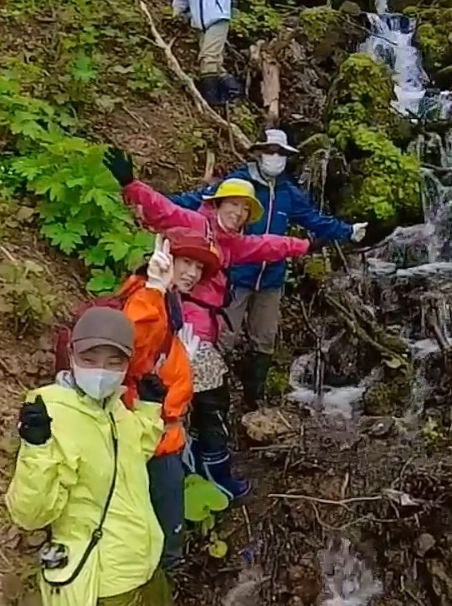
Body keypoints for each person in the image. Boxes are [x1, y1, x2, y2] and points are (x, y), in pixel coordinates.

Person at [104, 147, 314, 493]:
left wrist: (304, 245)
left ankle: (197, 464)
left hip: (197, 330)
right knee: (206, 399)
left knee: (204, 399)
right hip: (176, 325)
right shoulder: (193, 224)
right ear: (217, 203)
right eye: (233, 204)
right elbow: (161, 210)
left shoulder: (232, 244)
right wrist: (131, 185)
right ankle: (206, 471)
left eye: (245, 208)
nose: (239, 212)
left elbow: (267, 245)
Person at [168, 130, 366, 407]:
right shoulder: (238, 183)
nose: (275, 158)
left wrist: (347, 231)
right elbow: (198, 201)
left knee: (265, 339)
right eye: (270, 151)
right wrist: (161, 203)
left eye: (281, 153)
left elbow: (313, 219)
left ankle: (254, 399)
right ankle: (205, 396)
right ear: (259, 153)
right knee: (222, 335)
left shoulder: (289, 193)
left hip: (271, 278)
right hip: (236, 276)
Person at [5, 307, 174, 606]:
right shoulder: (51, 415)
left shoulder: (113, 408)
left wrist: (149, 409)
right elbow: (31, 514)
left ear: (127, 364)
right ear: (71, 356)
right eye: (89, 360)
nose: (100, 371)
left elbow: (132, 455)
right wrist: (36, 448)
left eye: (113, 362)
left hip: (145, 565)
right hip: (104, 582)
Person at [111, 244, 196, 570]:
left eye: (198, 267)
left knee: (163, 530)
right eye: (185, 262)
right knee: (162, 535)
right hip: (150, 437)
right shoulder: (149, 299)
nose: (192, 272)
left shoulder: (168, 302)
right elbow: (132, 348)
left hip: (163, 432)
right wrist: (154, 288)